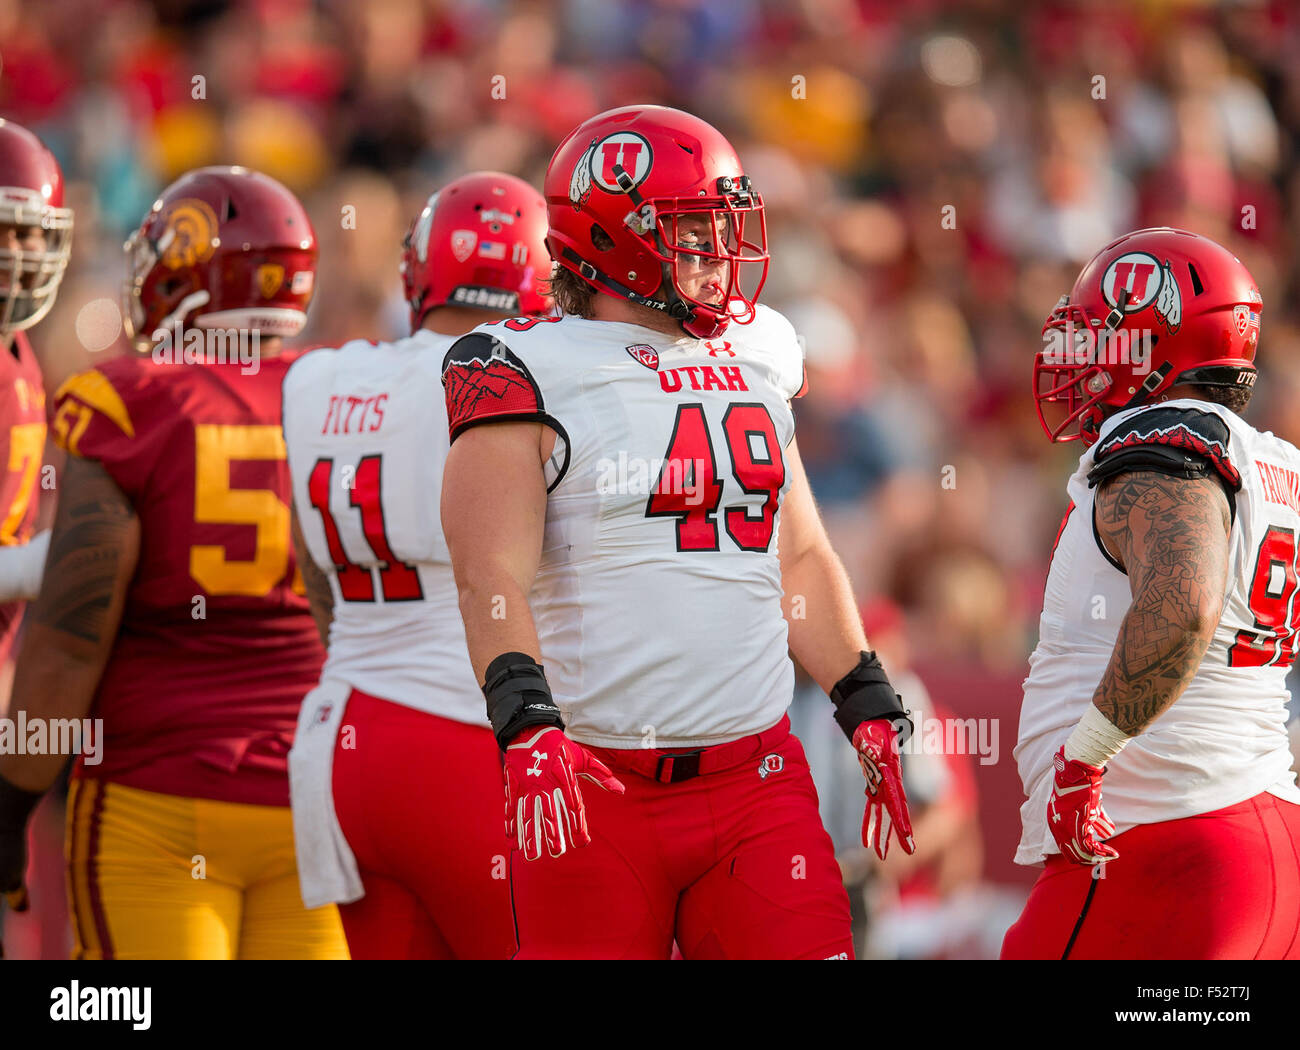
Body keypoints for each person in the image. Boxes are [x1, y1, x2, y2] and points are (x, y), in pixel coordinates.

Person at [440, 105, 915, 960]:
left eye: (722, 228)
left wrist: (862, 695)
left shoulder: (757, 350)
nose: (718, 254)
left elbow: (798, 553)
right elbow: (488, 575)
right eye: (692, 230)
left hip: (757, 779)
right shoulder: (523, 365)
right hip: (594, 782)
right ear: (614, 237)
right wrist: (525, 723)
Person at [0, 166, 348, 960]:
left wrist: (11, 805)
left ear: (184, 270)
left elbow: (72, 633)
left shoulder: (132, 401)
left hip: (157, 794)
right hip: (316, 793)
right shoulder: (343, 399)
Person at [1003, 227, 1300, 959]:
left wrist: (1083, 762)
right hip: (1261, 835)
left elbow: (1183, 606)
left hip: (1158, 844)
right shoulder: (1275, 463)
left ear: (1154, 341)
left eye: (1097, 335)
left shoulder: (1158, 443)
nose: (1078, 357)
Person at [283, 171, 552, 959]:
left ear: (420, 269)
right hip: (472, 738)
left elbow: (313, 574)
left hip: (348, 741)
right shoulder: (521, 382)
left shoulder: (318, 378)